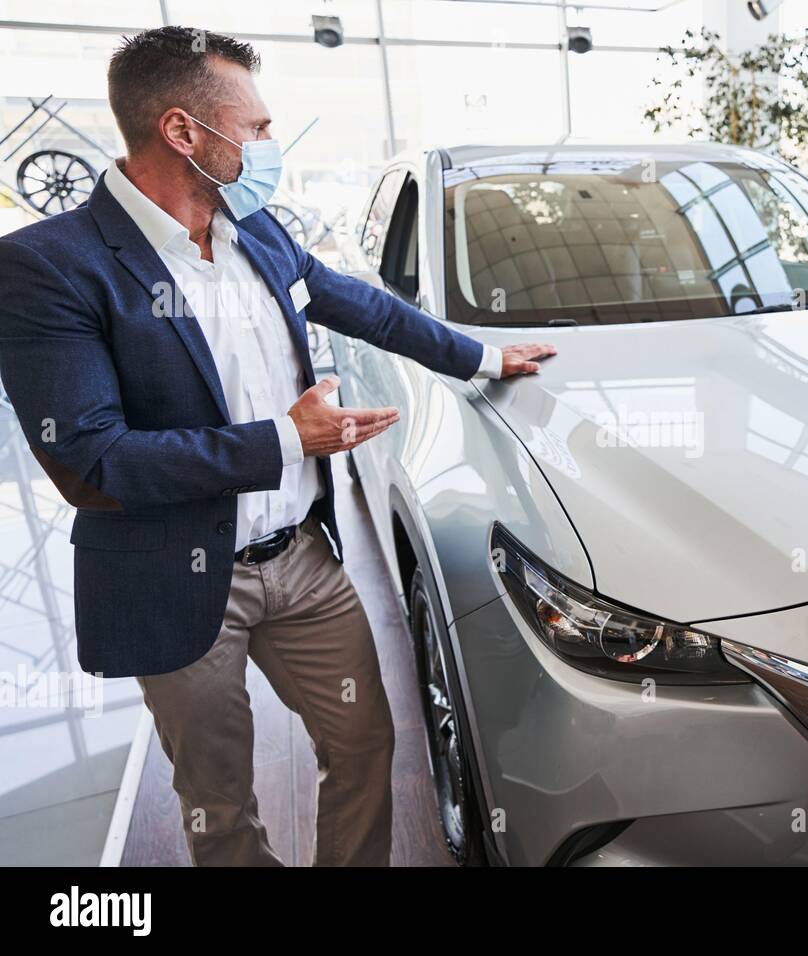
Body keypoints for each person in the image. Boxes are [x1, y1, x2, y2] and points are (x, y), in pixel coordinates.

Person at [0, 26, 554, 866]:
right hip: (179, 574)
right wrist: (285, 440)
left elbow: (361, 306)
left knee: (366, 745)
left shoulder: (254, 232)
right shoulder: (50, 266)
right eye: (254, 129)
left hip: (300, 561)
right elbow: (92, 463)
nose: (266, 145)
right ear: (183, 131)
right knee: (218, 799)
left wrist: (482, 355)